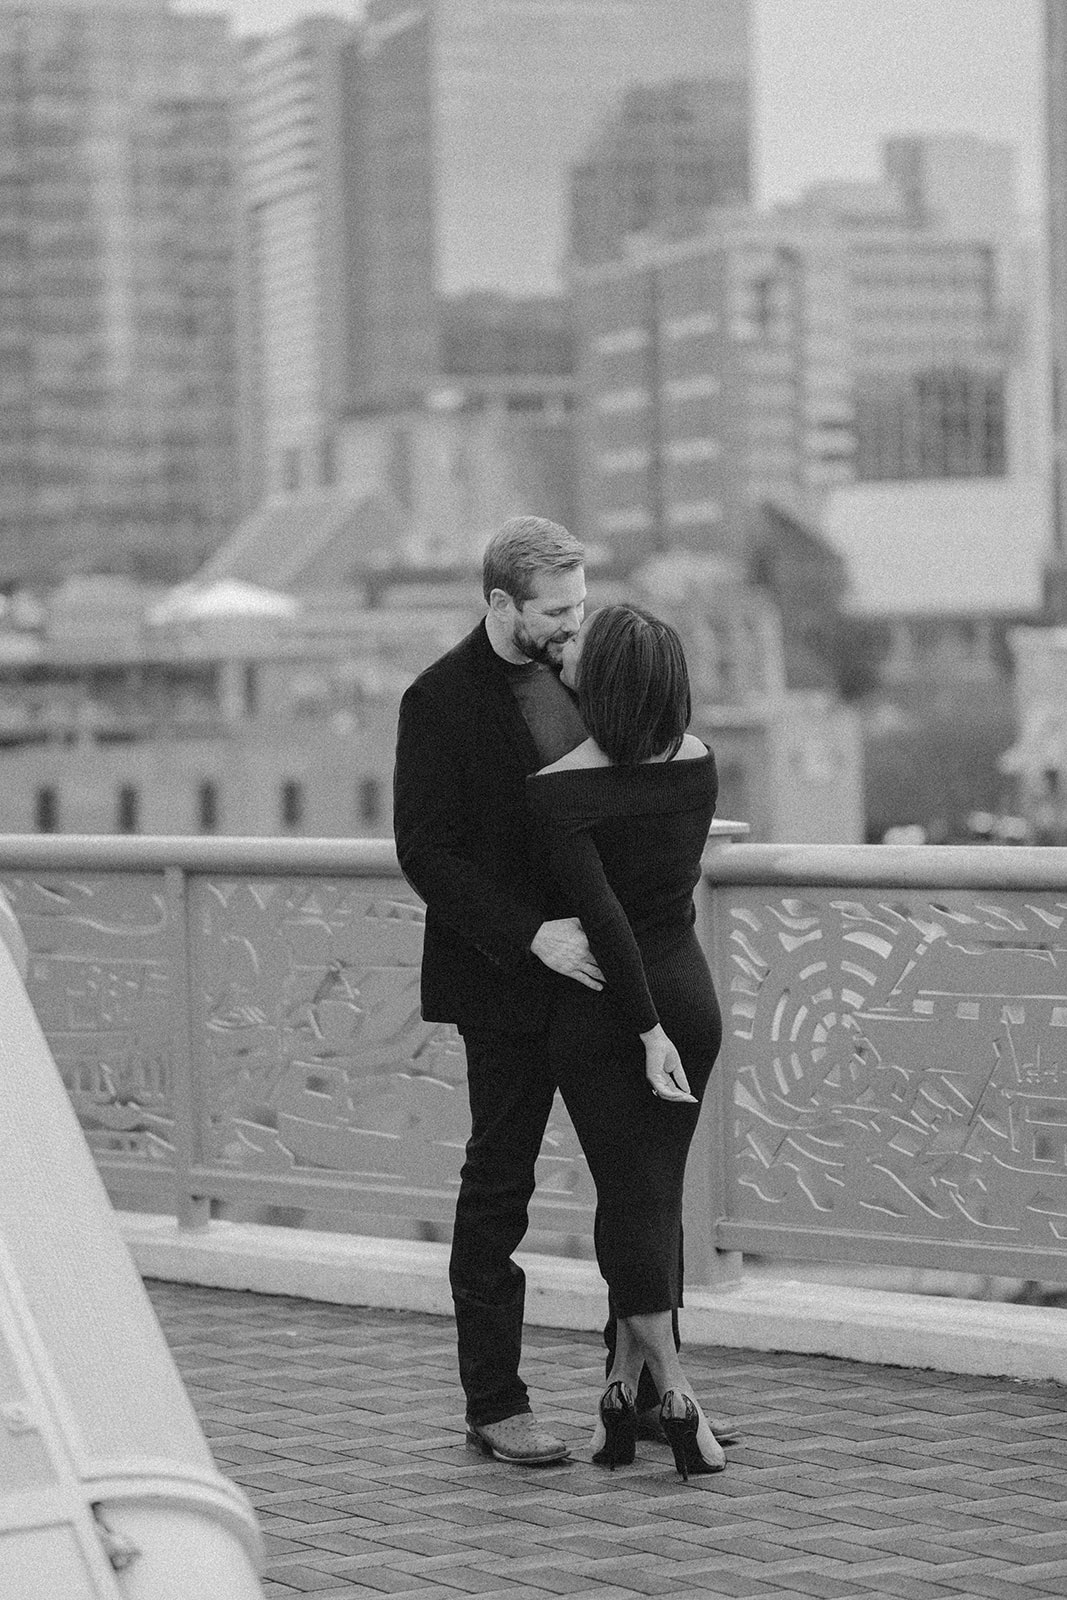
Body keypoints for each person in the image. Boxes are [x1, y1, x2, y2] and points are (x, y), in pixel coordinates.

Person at [393, 515, 599, 1465]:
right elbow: (423, 851)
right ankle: (495, 1403)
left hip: (606, 975)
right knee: (498, 1192)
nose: (572, 624)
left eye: (580, 605)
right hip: (506, 982)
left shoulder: (589, 671)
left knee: (637, 1191)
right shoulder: (434, 699)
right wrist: (532, 937)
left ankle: (647, 1388)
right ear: (499, 604)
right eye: (556, 611)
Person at [526, 602, 727, 1480]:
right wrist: (661, 1025)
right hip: (689, 999)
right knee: (655, 1196)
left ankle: (675, 1394)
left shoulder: (558, 789)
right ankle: (617, 1392)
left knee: (627, 1199)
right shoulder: (699, 767)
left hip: (613, 1015)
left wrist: (643, 1031)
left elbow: (604, 924)